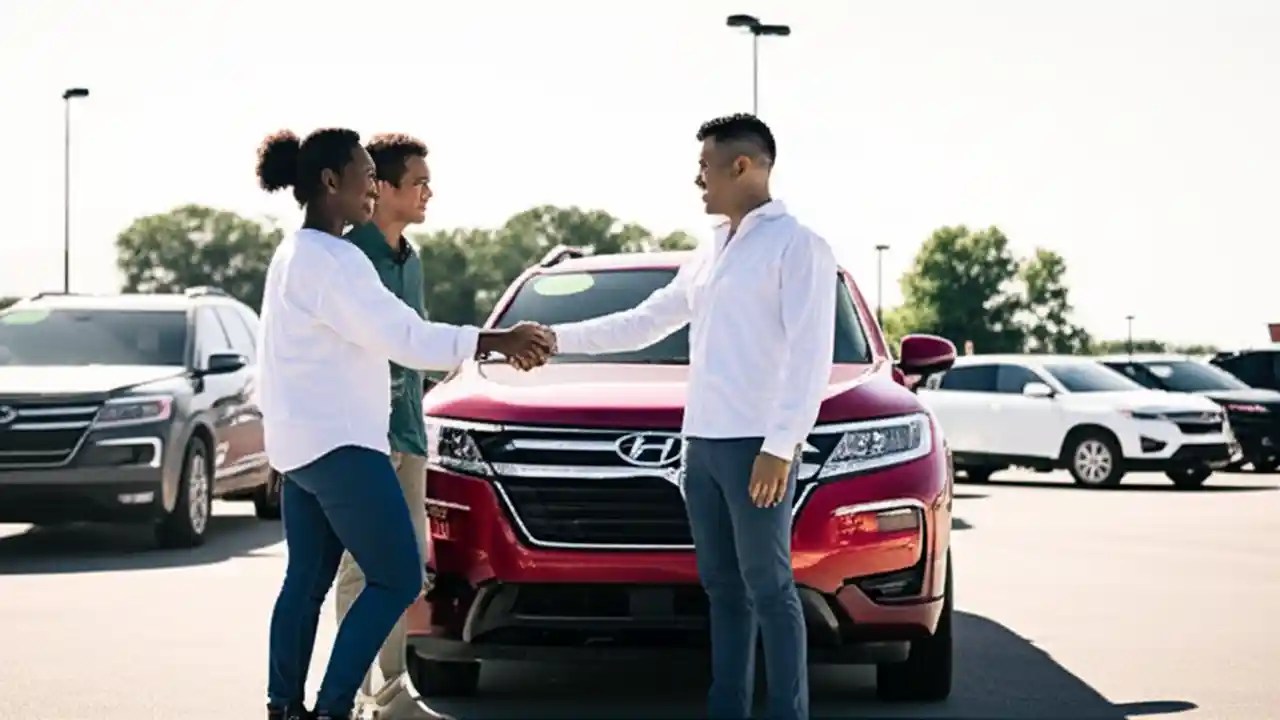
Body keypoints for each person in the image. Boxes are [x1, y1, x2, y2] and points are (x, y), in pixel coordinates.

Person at [253, 127, 553, 720]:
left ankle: (284, 706)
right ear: (330, 181)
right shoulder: (337, 259)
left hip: (300, 448)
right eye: (365, 175)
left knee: (306, 584)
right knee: (396, 577)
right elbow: (405, 337)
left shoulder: (294, 253)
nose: (371, 187)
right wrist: (495, 340)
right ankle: (335, 706)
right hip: (343, 448)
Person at [545, 113, 836, 720]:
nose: (697, 179)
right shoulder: (710, 250)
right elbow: (646, 321)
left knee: (771, 588)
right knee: (723, 591)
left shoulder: (798, 245)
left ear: (742, 166)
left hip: (757, 446)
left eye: (705, 166)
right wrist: (553, 339)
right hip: (699, 446)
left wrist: (782, 445)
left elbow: (812, 355)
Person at [331, 132, 438, 711]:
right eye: (419, 182)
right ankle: (352, 687)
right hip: (365, 437)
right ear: (385, 187)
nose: (429, 192)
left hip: (409, 434)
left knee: (406, 565)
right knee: (361, 567)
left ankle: (393, 685)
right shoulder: (352, 259)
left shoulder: (410, 259)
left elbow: (416, 340)